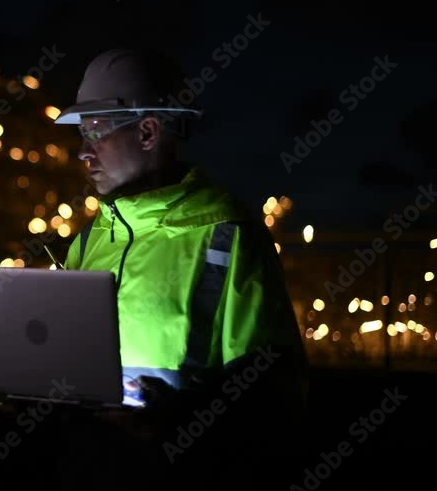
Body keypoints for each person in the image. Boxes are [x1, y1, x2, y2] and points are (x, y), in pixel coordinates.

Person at [51, 48, 309, 490]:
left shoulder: (227, 235)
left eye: (95, 132)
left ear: (148, 132)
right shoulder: (89, 239)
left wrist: (184, 417)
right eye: (82, 134)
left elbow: (273, 391)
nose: (83, 152)